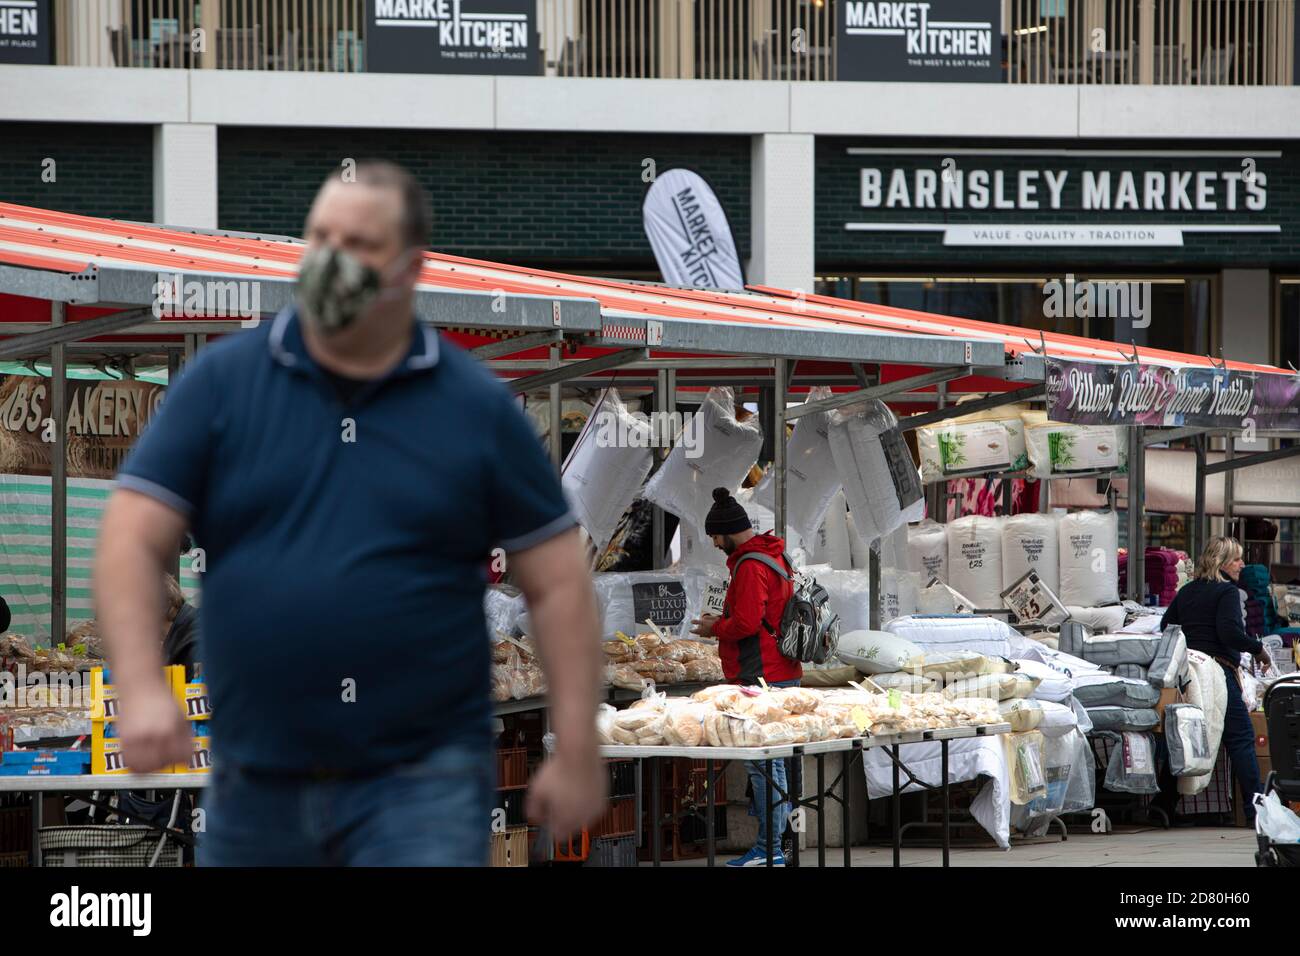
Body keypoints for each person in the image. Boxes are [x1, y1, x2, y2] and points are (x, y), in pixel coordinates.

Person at [93, 160, 605, 866]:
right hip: (258, 781)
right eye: (320, 235)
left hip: (421, 784)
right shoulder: (223, 385)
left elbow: (557, 583)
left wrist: (577, 743)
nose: (334, 259)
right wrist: (141, 686)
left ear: (409, 265)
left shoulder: (473, 408)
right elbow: (129, 537)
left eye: (359, 243)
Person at [691, 487, 801, 866]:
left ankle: (768, 850)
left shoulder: (750, 566)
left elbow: (746, 623)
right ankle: (783, 846)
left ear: (725, 532)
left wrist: (712, 628)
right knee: (782, 765)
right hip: (784, 673)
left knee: (764, 768)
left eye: (714, 536)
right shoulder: (776, 555)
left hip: (760, 678)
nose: (714, 543)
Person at [1155, 536, 1270, 824]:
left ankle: (1164, 803)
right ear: (1221, 562)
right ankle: (1256, 811)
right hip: (1217, 672)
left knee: (1186, 736)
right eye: (1236, 559)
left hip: (1188, 674)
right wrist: (1258, 649)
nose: (1242, 564)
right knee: (1241, 739)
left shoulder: (1188, 591)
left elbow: (1166, 626)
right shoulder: (1227, 592)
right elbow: (1229, 633)